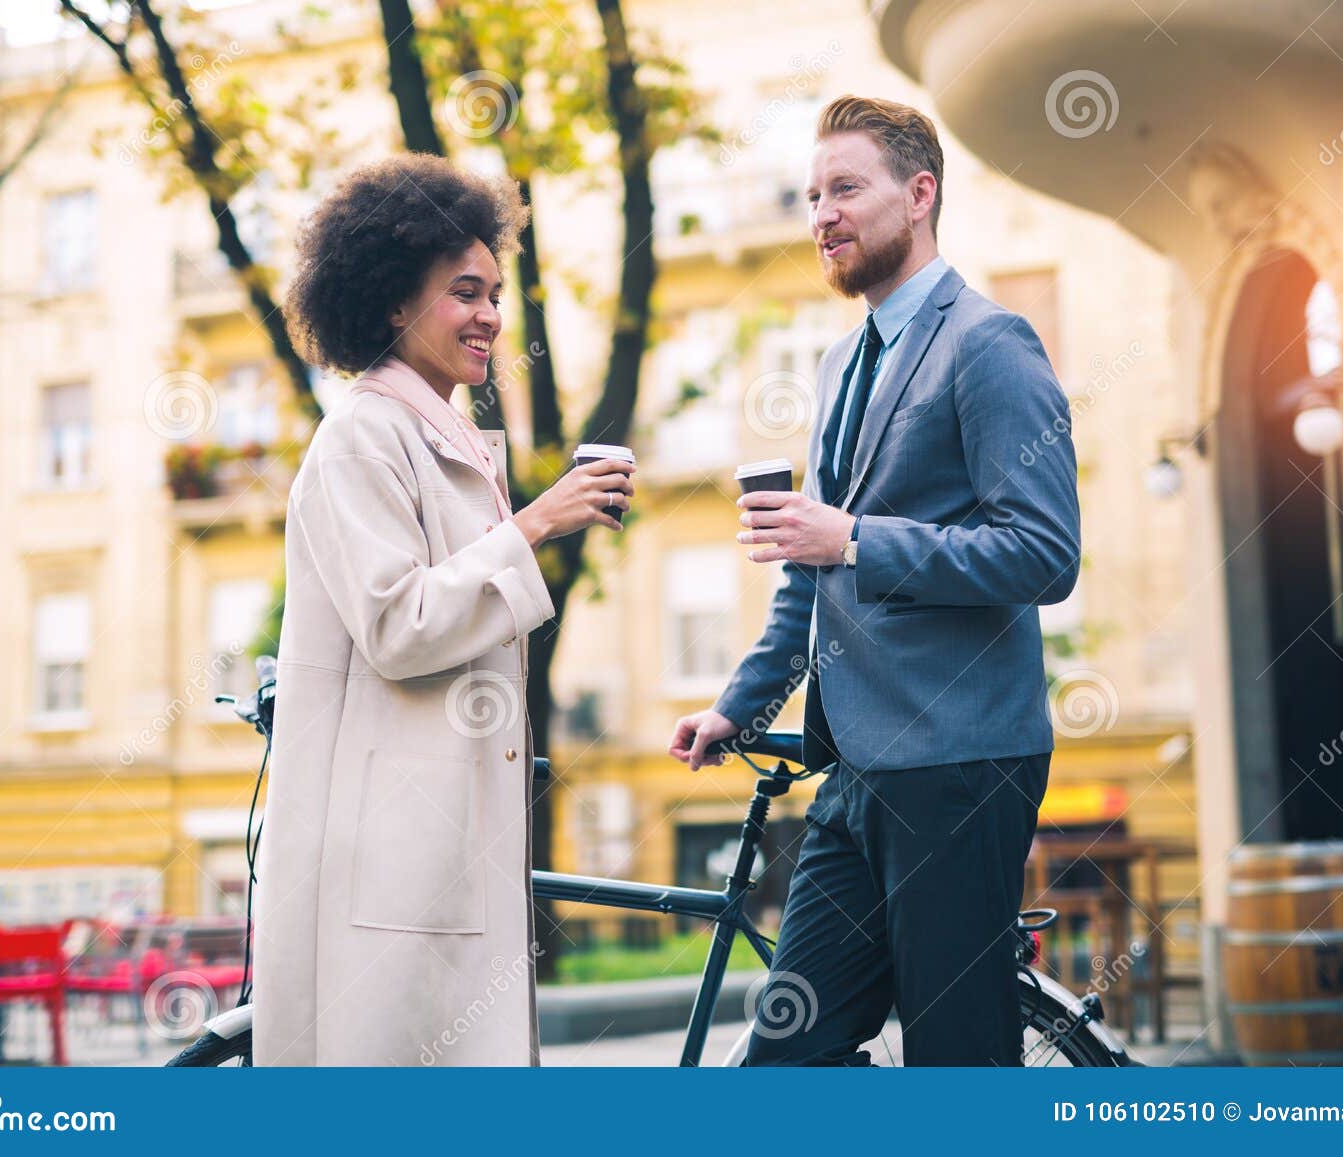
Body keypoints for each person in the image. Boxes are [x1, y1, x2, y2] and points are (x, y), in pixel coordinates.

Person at [669, 95, 1080, 1065]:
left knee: (956, 1052)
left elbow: (1042, 553)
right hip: (851, 770)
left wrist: (854, 536)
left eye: (846, 188)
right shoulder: (838, 364)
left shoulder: (989, 344)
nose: (821, 213)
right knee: (786, 1057)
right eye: (812, 195)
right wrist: (741, 701)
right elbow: (808, 576)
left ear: (920, 194)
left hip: (958, 764)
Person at [253, 154, 633, 1065]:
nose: (491, 316)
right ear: (392, 302)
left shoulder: (439, 433)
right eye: (465, 291)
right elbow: (398, 624)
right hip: (390, 857)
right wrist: (537, 523)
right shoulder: (360, 435)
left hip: (439, 846)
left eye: (496, 293)